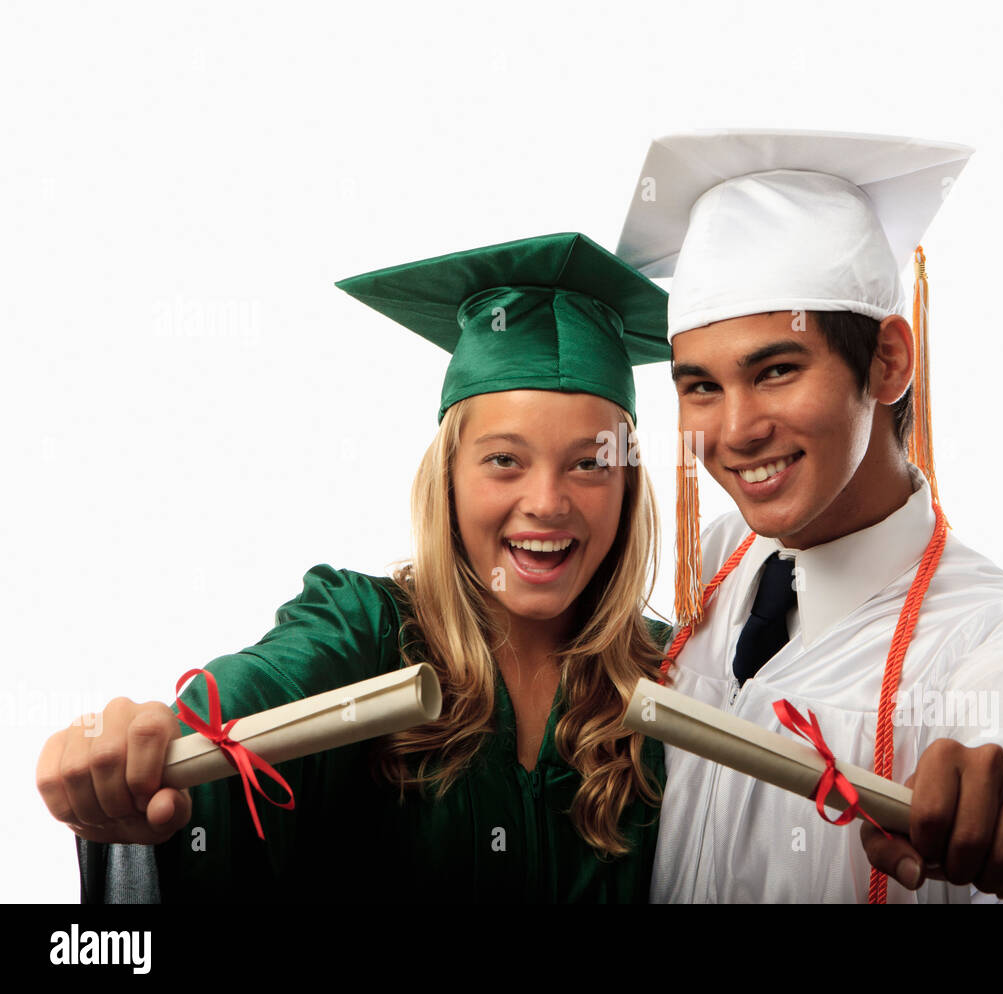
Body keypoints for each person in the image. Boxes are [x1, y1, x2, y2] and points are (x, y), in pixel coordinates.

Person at [37, 232, 677, 902]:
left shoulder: (674, 682)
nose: (547, 503)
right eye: (504, 460)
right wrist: (155, 740)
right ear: (448, 480)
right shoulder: (365, 631)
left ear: (630, 487)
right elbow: (255, 695)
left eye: (589, 463)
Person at [616, 129, 1003, 903]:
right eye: (701, 387)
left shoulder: (996, 637)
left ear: (887, 360)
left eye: (777, 370)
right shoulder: (707, 570)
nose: (736, 430)